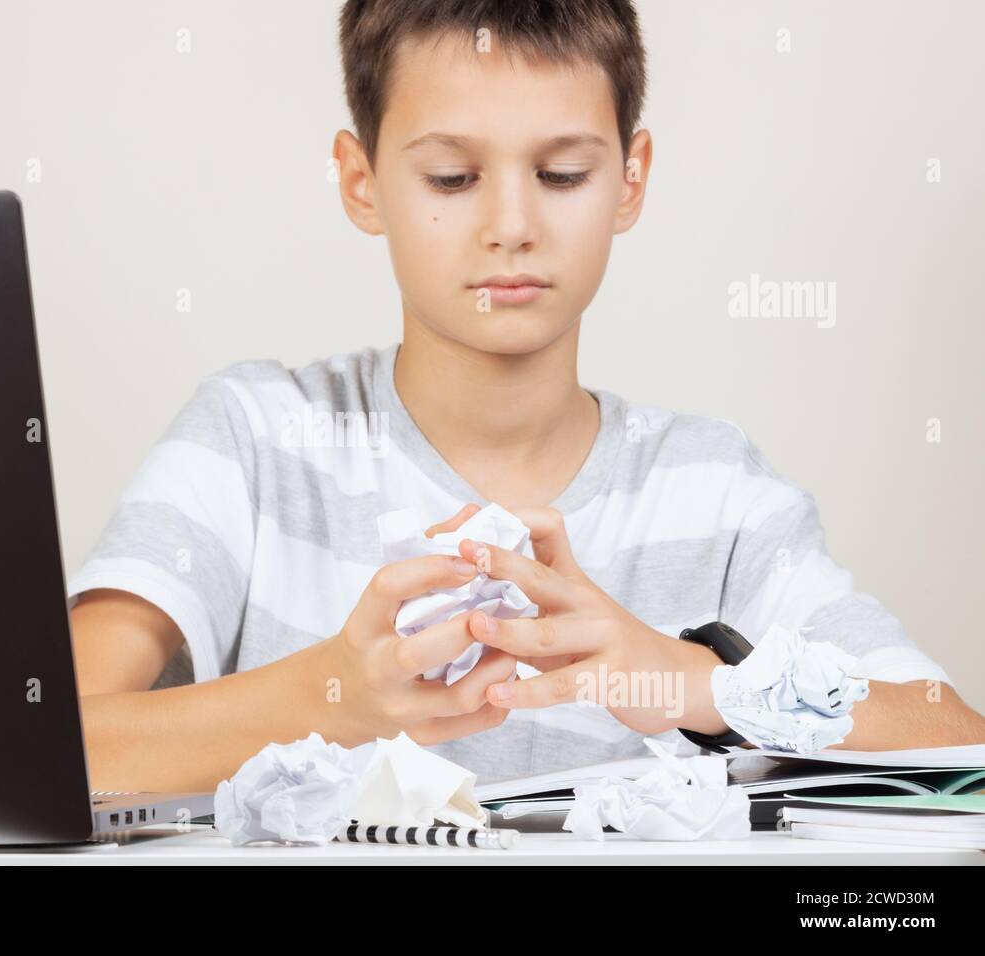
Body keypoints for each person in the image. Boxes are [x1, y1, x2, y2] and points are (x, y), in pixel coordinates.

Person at [68, 0, 985, 791]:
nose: (512, 227)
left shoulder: (717, 493)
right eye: (452, 178)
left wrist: (686, 678)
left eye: (561, 175)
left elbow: (958, 741)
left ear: (631, 179)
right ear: (361, 181)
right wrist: (329, 693)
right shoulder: (251, 441)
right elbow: (40, 742)